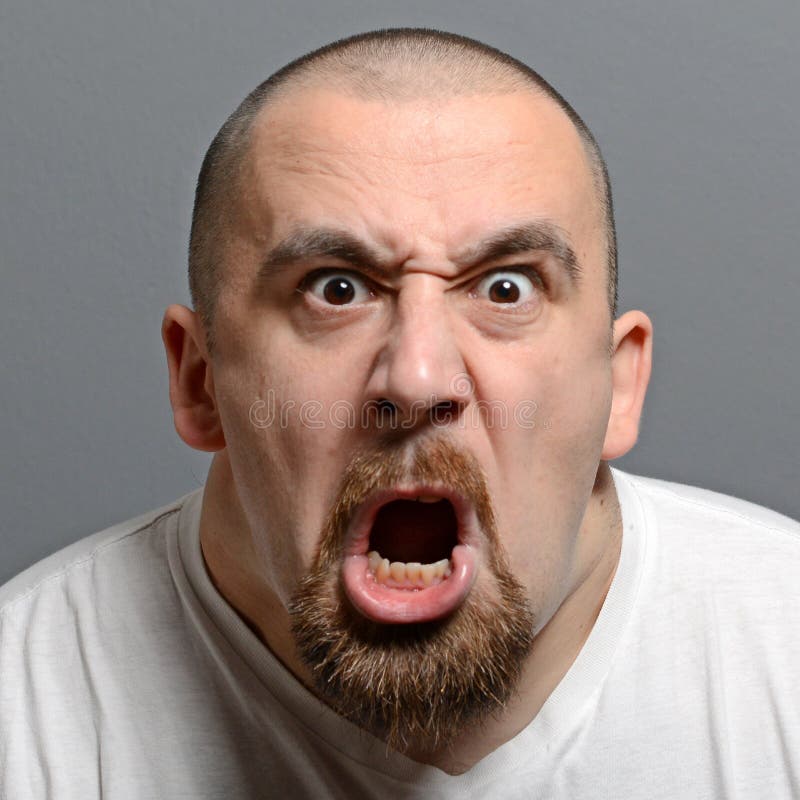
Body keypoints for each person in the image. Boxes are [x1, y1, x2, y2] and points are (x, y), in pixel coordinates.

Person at [2, 27, 798, 799]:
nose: (417, 381)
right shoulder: (22, 715)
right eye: (336, 289)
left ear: (619, 388)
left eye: (506, 288)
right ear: (199, 379)